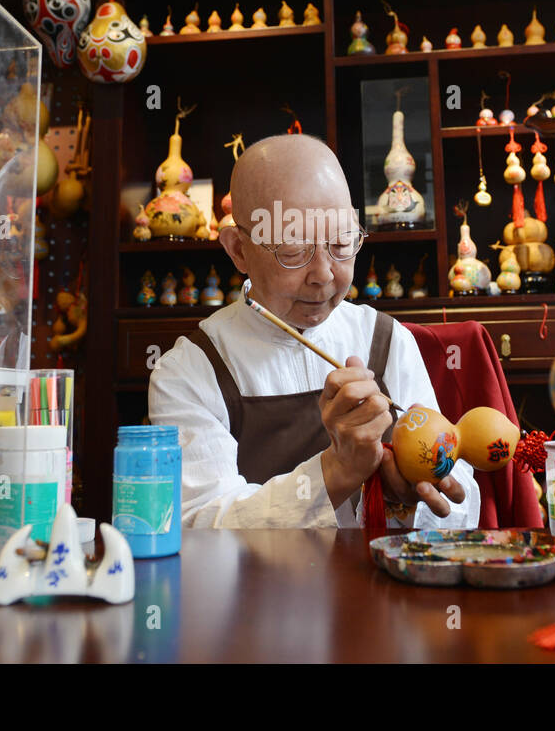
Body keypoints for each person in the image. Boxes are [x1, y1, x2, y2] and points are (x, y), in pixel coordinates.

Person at [148, 134, 479, 529]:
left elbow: (460, 510)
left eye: (341, 244)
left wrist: (402, 497)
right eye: (292, 251)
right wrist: (335, 472)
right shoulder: (190, 370)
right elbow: (200, 526)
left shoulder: (386, 341)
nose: (323, 275)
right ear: (238, 249)